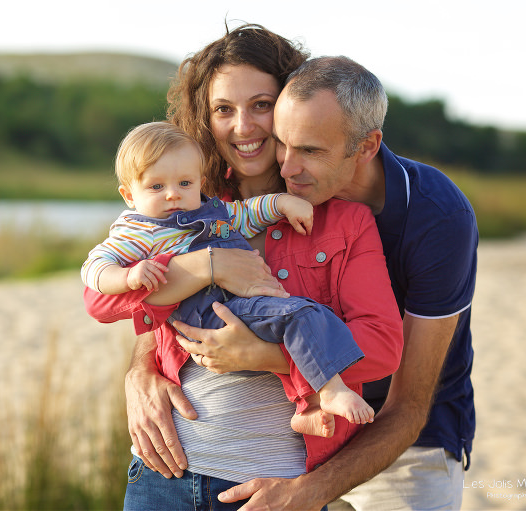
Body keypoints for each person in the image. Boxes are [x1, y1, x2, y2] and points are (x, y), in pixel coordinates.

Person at [83, 24, 403, 511]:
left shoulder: (343, 222)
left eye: (262, 105)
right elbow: (105, 299)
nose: (244, 127)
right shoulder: (186, 205)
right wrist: (208, 266)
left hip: (269, 489)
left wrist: (266, 355)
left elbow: (381, 346)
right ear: (203, 119)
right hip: (162, 477)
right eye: (223, 110)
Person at [192, 56, 478, 510]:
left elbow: (408, 405)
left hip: (407, 437)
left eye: (310, 151)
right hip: (302, 429)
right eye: (283, 143)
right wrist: (140, 371)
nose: (287, 167)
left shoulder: (438, 219)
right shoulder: (274, 192)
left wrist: (310, 492)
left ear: (366, 146)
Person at [81, 121, 375, 439]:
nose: (172, 195)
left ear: (200, 183)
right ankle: (330, 390)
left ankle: (308, 405)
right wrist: (128, 275)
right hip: (214, 312)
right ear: (129, 194)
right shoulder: (140, 231)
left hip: (239, 304)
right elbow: (94, 267)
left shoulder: (211, 211)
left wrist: (281, 203)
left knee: (303, 322)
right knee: (299, 315)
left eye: (184, 183)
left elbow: (247, 213)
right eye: (156, 187)